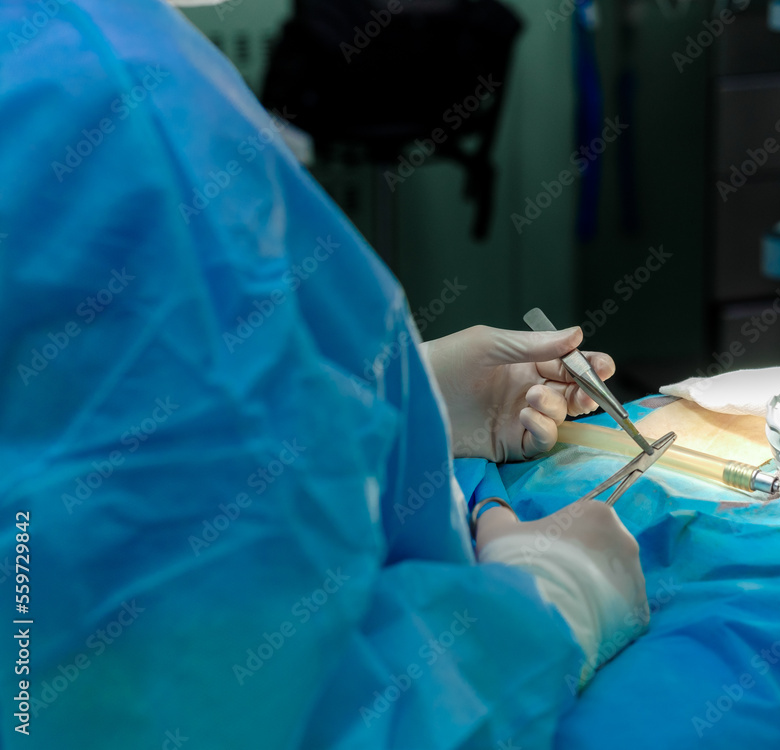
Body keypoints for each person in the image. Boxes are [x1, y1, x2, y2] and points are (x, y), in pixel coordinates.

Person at [0, 1, 647, 748]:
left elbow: (78, 412)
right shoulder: (115, 98)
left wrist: (412, 404)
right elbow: (247, 706)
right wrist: (546, 606)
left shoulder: (55, 63)